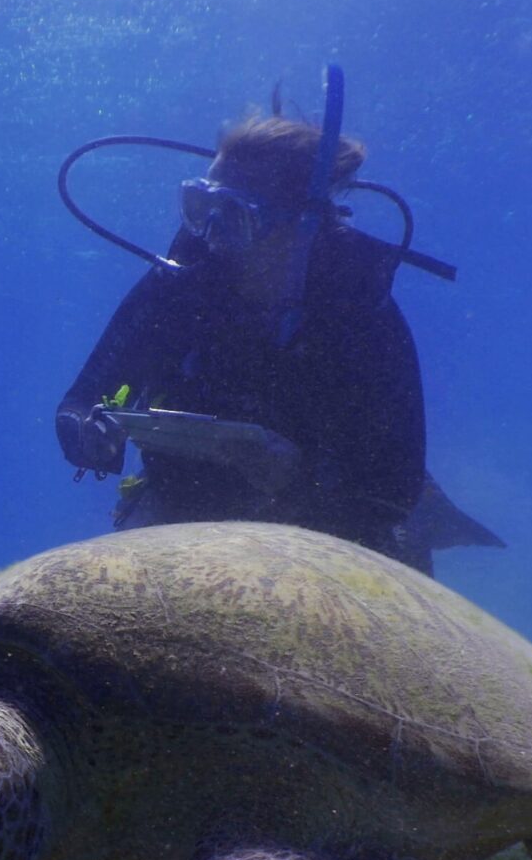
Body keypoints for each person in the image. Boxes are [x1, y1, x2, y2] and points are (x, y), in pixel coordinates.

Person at [54, 100, 438, 569]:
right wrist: (89, 434)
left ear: (305, 227)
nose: (211, 236)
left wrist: (298, 479)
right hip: (179, 513)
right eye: (201, 208)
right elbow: (83, 398)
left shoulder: (362, 319)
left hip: (329, 537)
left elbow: (393, 491)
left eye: (233, 216)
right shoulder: (179, 289)